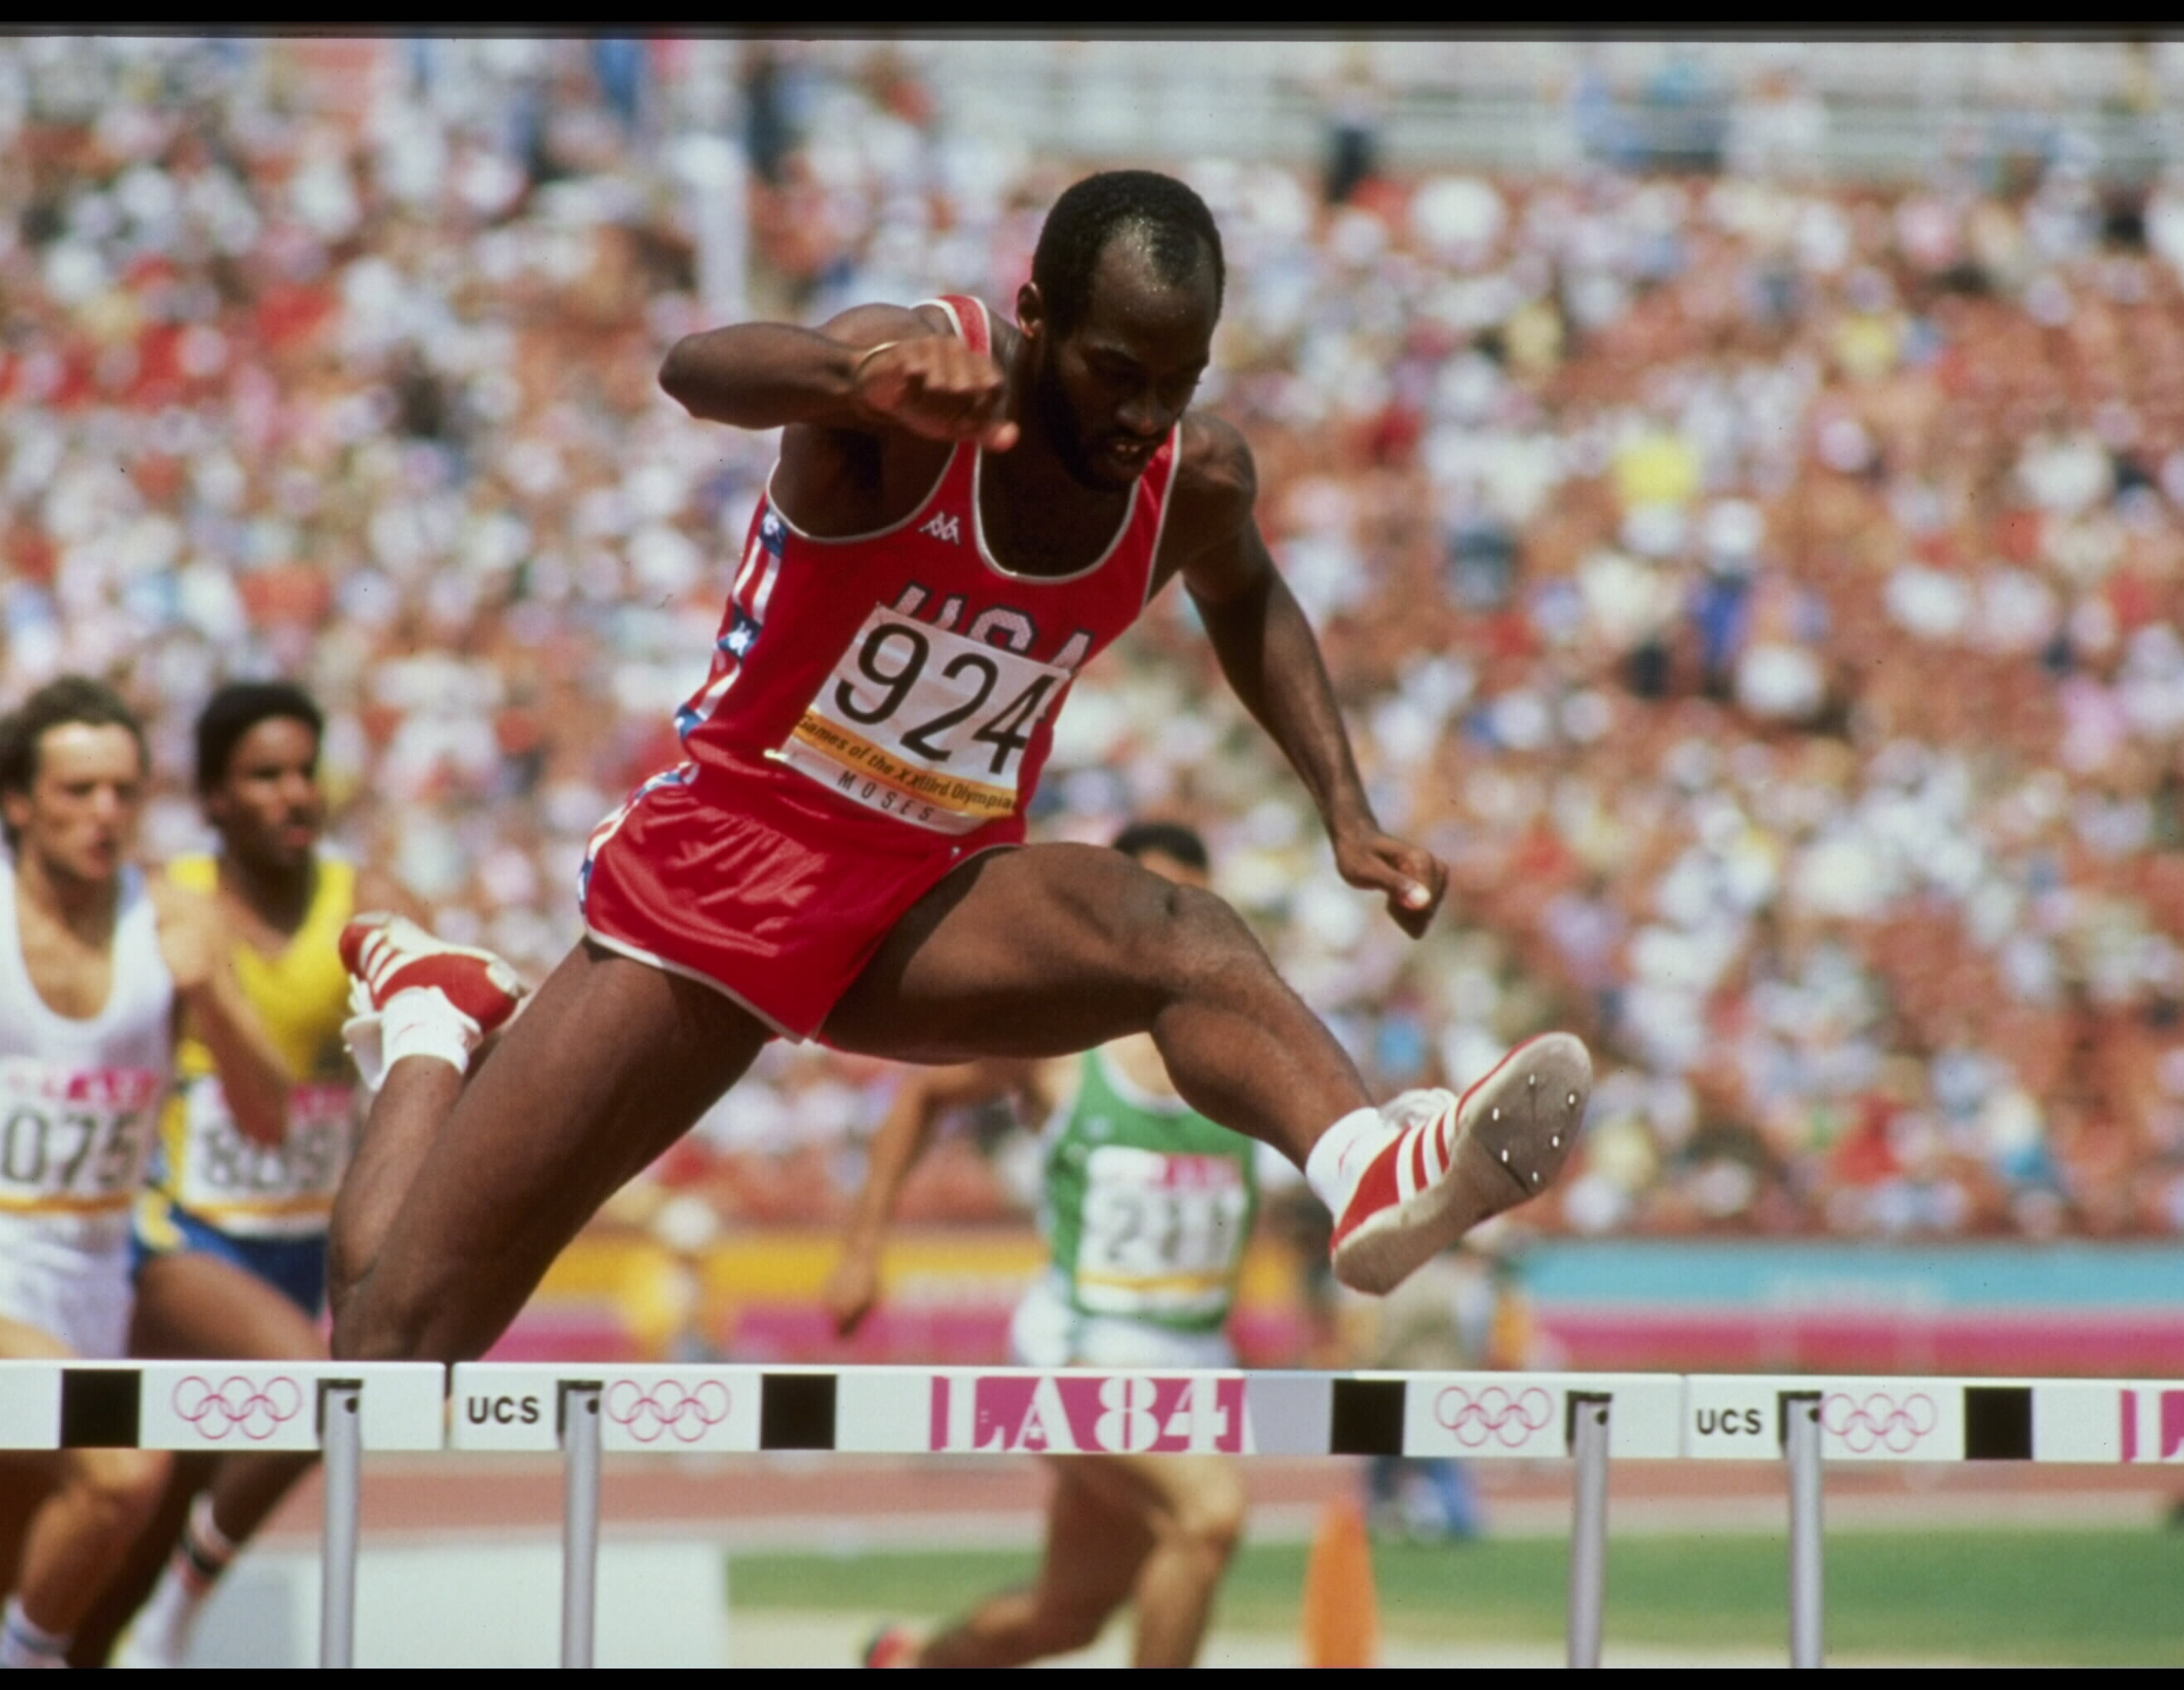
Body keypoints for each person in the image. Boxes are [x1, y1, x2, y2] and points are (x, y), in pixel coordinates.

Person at [325, 168, 1593, 1378]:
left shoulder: (1187, 480)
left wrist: (1345, 809)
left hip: (927, 893)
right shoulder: (918, 398)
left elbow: (1248, 593)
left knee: (1180, 934)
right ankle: (434, 1023)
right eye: (1117, 373)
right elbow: (694, 370)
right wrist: (855, 376)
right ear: (1036, 320)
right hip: (734, 872)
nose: (1146, 414)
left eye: (1180, 378)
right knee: (396, 1343)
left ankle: (1368, 1159)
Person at [0, 675, 288, 1669]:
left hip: (90, 1299)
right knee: (126, 1474)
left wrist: (207, 993)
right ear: (15, 801)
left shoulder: (176, 923)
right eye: (78, 791)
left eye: (124, 792)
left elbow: (267, 1121)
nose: (106, 814)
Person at [825, 820, 1288, 1668]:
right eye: (1148, 901)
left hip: (1194, 1363)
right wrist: (864, 1248)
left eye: (1184, 906)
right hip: (1079, 1348)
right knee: (1209, 1515)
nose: (1163, 927)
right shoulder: (1066, 1045)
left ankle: (912, 1657)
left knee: (1063, 1618)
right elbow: (922, 1101)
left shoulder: (1244, 1058)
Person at [69, 682, 425, 1669]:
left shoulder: (369, 904)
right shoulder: (160, 898)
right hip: (179, 1239)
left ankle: (109, 1638)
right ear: (215, 797)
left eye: (305, 770)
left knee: (145, 1530)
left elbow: (448, 1034)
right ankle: (178, 1625)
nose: (292, 793)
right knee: (314, 1390)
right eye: (263, 775)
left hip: (302, 1242)